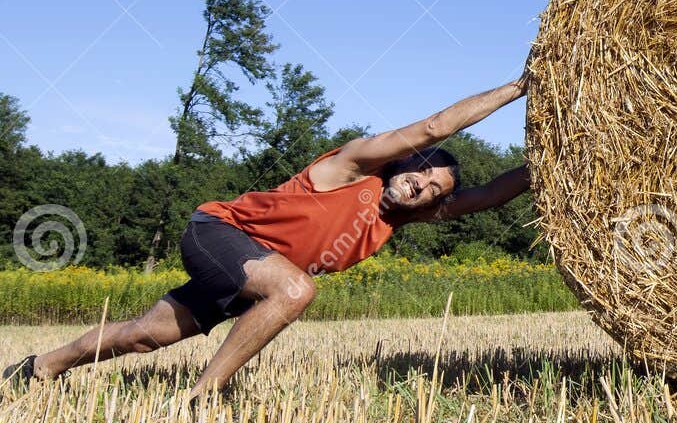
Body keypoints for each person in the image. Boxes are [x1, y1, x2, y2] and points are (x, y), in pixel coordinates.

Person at [2, 78, 531, 398]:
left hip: (255, 271)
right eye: (423, 172)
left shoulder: (397, 218)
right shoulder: (354, 166)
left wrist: (559, 156)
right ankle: (204, 396)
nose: (423, 186)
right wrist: (519, 88)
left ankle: (39, 368)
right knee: (296, 291)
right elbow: (434, 126)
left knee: (143, 335)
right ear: (405, 162)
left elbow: (487, 196)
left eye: (434, 190)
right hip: (219, 232)